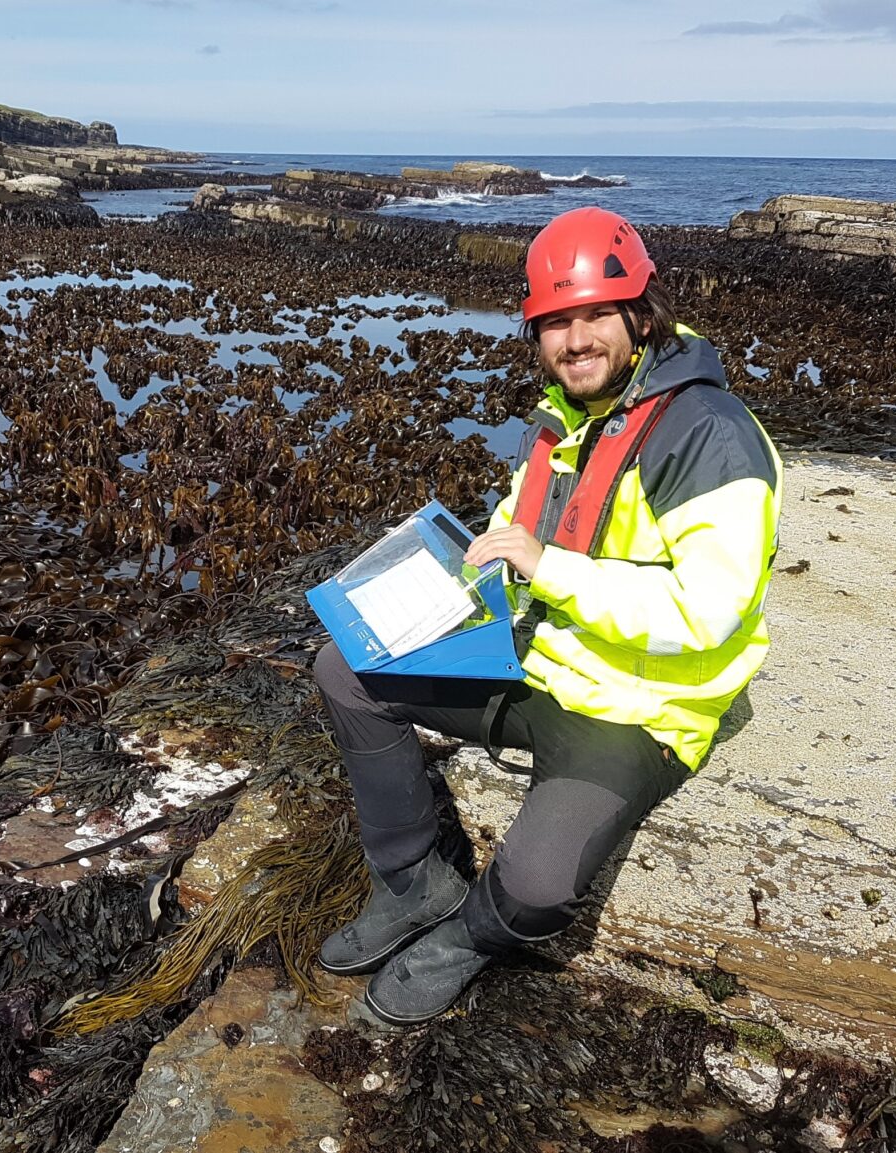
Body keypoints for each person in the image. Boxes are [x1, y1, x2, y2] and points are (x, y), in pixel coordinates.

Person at [313, 207, 782, 1025]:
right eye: (555, 322)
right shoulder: (568, 417)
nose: (575, 339)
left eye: (596, 313)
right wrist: (460, 575)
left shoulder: (709, 436)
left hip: (639, 708)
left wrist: (544, 567)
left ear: (640, 312)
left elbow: (708, 612)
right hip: (539, 661)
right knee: (344, 665)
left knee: (536, 888)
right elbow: (523, 530)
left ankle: (467, 935)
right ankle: (415, 881)